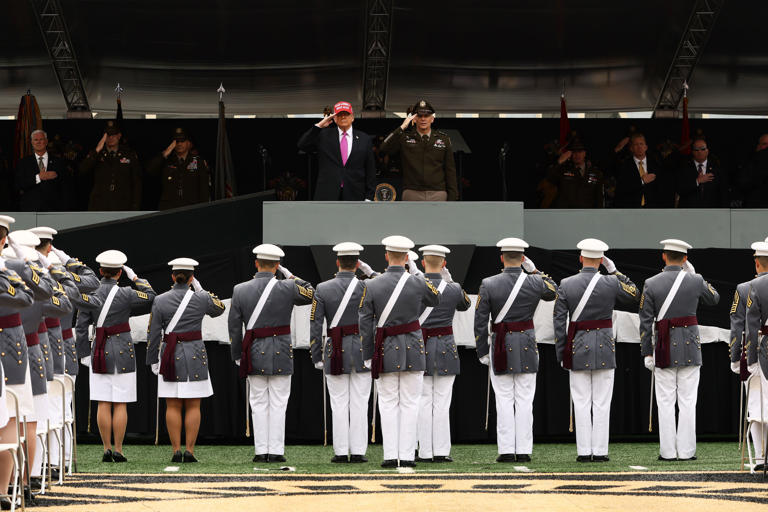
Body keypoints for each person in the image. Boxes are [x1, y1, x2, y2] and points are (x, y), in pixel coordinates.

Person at [553, 238, 639, 462]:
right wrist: (615, 271)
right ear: (601, 260)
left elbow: (559, 322)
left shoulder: (566, 283)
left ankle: (584, 451)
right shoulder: (610, 283)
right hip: (604, 346)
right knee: (602, 401)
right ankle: (600, 452)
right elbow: (633, 293)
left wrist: (562, 352)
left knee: (581, 401)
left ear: (580, 258)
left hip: (577, 346)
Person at [474, 238, 557, 463]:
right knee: (524, 399)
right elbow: (553, 291)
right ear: (523, 259)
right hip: (527, 344)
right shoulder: (535, 282)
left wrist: (482, 350)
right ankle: (524, 450)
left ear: (501, 257)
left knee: (503, 399)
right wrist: (535, 270)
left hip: (500, 344)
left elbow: (480, 321)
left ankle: (507, 450)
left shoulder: (488, 283)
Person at [359, 235, 440, 468]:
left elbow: (364, 322)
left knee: (387, 403)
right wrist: (416, 273)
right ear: (407, 258)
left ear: (386, 256)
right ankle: (406, 455)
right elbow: (436, 297)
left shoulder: (370, 284)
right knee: (410, 403)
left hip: (384, 349)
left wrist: (367, 354)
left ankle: (390, 455)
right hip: (414, 347)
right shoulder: (417, 282)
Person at [228, 244, 314, 463]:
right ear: (277, 266)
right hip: (281, 350)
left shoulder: (240, 289)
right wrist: (290, 275)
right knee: (279, 402)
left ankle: (260, 450)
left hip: (253, 350)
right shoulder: (288, 287)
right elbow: (310, 293)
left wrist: (237, 354)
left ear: (256, 263)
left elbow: (234, 327)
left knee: (257, 402)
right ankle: (276, 451)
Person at [3, 229, 69, 499]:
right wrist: (51, 269)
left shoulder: (8, 268)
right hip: (24, 353)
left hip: (18, 352)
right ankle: (24, 483)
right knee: (26, 423)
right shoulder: (25, 271)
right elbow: (64, 303)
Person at [639, 239, 719, 461]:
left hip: (664, 346)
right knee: (687, 401)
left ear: (664, 256)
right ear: (685, 259)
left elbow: (645, 322)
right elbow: (714, 298)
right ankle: (686, 452)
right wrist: (696, 275)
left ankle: (667, 452)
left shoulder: (651, 282)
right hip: (690, 348)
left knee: (665, 402)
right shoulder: (695, 280)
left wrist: (647, 352)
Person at [75, 250, 156, 462]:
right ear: (120, 273)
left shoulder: (90, 295)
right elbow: (150, 296)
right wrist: (136, 278)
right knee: (120, 403)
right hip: (123, 350)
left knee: (103, 402)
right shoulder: (128, 293)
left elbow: (82, 326)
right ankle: (119, 450)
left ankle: (106, 449)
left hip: (99, 351)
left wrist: (83, 353)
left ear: (100, 271)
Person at [147, 258, 226, 463]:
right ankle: (189, 451)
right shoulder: (201, 298)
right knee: (193, 405)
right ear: (192, 278)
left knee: (172, 405)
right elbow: (219, 309)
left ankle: (175, 451)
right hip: (194, 353)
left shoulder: (160, 300)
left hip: (169, 353)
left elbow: (154, 333)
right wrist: (201, 289)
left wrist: (152, 359)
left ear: (172, 277)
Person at [309, 242, 371, 463]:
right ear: (357, 264)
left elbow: (315, 325)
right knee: (360, 403)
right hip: (363, 350)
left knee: (338, 403)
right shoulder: (368, 287)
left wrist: (316, 355)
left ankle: (340, 450)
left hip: (334, 350)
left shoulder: (322, 288)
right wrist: (371, 273)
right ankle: (358, 452)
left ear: (337, 262)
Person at [416, 245, 471, 463]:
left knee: (423, 401)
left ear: (423, 263)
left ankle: (425, 451)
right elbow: (465, 304)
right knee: (441, 402)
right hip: (446, 347)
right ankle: (441, 451)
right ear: (444, 264)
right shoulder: (454, 288)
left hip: (420, 346)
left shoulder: (415, 285)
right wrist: (450, 281)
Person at [0, 216, 35, 508]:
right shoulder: (13, 270)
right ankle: (9, 488)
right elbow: (27, 297)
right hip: (10, 351)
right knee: (9, 420)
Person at [730, 246, 767, 471]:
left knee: (757, 407)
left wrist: (737, 358)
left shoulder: (745, 289)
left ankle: (762, 459)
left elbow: (738, 328)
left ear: (756, 263)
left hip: (758, 353)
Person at [380, 100, 458, 201]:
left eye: (426, 116)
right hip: (412, 192)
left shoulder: (443, 139)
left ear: (432, 118)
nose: (423, 119)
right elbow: (383, 148)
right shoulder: (405, 138)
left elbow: (450, 170)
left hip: (438, 193)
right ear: (414, 118)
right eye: (420, 116)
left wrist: (453, 197)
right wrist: (402, 127)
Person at [297, 102, 377, 201]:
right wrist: (319, 126)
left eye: (346, 114)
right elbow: (302, 145)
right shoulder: (323, 136)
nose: (343, 117)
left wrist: (369, 197)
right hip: (327, 194)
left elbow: (370, 170)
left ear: (352, 117)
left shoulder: (364, 139)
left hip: (355, 195)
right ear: (334, 118)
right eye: (339, 114)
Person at [78, 120, 142, 211]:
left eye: (113, 135)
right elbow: (82, 169)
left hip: (122, 205)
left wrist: (135, 206)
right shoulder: (97, 154)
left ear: (119, 136)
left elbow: (136, 182)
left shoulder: (129, 154)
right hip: (100, 205)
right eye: (108, 135)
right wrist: (97, 150)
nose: (110, 138)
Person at [147, 128, 211, 210]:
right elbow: (150, 170)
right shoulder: (166, 161)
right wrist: (166, 153)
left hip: (191, 208)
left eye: (182, 140)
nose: (179, 144)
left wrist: (203, 209)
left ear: (189, 143)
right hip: (169, 209)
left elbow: (204, 190)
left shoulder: (198, 162)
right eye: (177, 141)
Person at [613, 133, 671, 208]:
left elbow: (662, 190)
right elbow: (623, 189)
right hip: (631, 209)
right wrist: (642, 181)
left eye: (641, 144)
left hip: (651, 210)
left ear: (646, 147)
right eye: (636, 144)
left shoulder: (656, 165)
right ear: (631, 148)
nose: (639, 147)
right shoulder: (624, 166)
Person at [14, 129, 68, 211]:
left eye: (41, 139)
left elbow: (65, 186)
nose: (38, 142)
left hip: (54, 209)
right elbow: (19, 184)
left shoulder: (59, 162)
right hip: (30, 209)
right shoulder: (23, 162)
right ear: (32, 143)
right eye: (36, 140)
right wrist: (38, 177)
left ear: (46, 142)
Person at [546, 139, 605, 208]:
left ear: (585, 153)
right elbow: (549, 178)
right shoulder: (563, 170)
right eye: (574, 152)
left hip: (587, 215)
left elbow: (599, 198)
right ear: (570, 154)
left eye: (580, 151)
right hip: (566, 213)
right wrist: (559, 162)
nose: (577, 155)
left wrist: (600, 215)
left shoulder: (595, 173)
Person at [676, 137, 729, 208]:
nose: (700, 152)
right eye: (696, 150)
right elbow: (679, 190)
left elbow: (723, 194)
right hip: (689, 212)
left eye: (703, 149)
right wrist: (697, 181)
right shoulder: (684, 168)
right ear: (692, 152)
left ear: (707, 151)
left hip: (712, 213)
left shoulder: (717, 170)